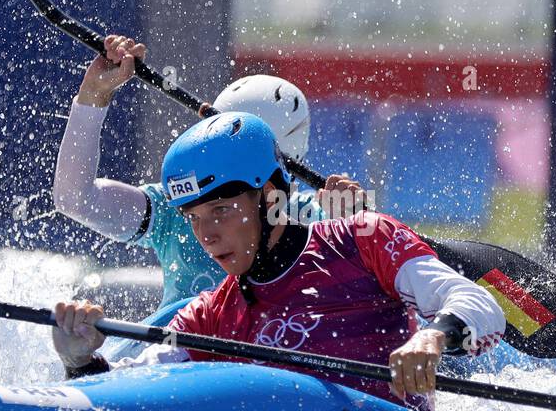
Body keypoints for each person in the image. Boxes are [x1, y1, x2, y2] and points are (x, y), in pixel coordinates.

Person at [51, 112, 506, 410]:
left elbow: (476, 301)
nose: (206, 234)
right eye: (194, 218)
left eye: (221, 211)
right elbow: (128, 397)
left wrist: (432, 340)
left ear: (270, 196)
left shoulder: (362, 239)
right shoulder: (211, 314)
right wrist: (80, 363)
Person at [54, 35, 363, 308]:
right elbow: (75, 199)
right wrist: (93, 96)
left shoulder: (320, 218)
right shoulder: (176, 205)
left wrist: (356, 218)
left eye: (222, 206)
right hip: (176, 357)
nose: (205, 228)